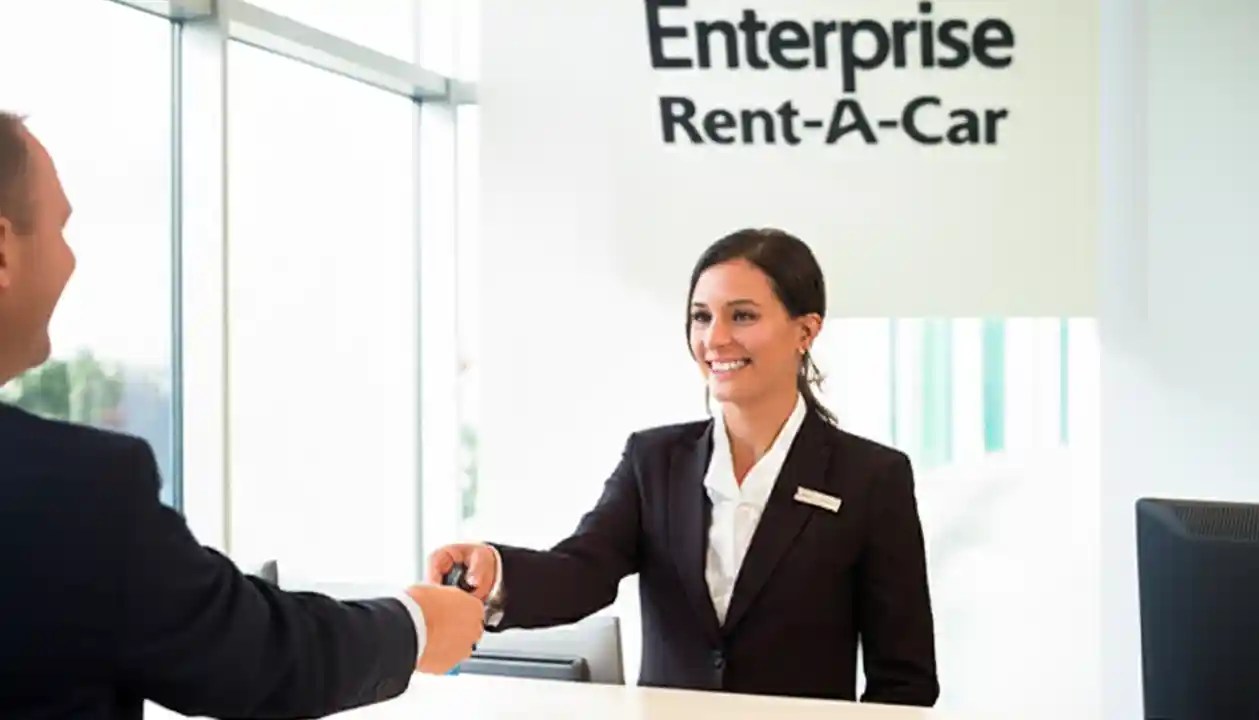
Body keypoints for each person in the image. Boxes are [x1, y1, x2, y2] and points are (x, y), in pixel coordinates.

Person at [0, 111, 484, 719]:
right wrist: (418, 622)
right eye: (60, 229)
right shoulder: (75, 490)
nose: (70, 261)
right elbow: (256, 655)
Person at [431, 228, 939, 705]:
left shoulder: (871, 477)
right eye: (701, 316)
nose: (715, 338)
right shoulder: (653, 461)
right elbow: (585, 571)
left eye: (742, 316)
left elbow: (905, 679)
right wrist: (495, 570)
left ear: (805, 330)